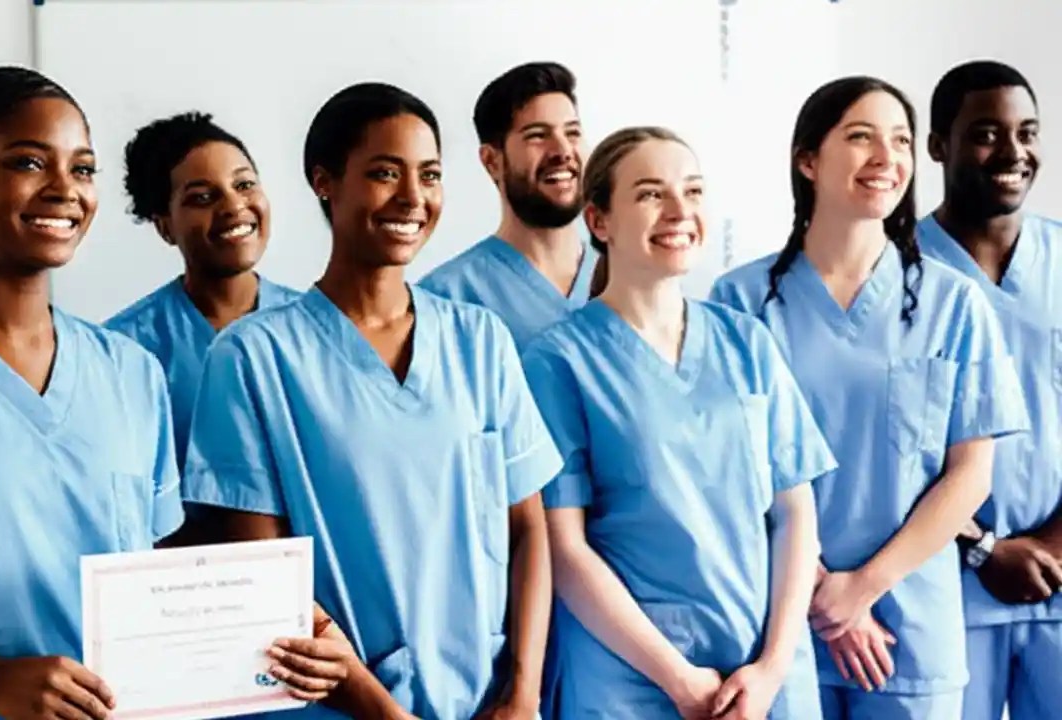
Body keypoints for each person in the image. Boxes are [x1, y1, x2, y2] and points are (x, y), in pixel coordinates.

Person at [0, 66, 346, 720]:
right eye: (29, 162)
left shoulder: (132, 373)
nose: (64, 190)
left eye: (82, 170)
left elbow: (162, 578)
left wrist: (293, 631)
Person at [180, 81, 562, 719]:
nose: (413, 199)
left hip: (482, 704)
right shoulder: (253, 358)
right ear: (324, 181)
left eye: (430, 175)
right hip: (334, 707)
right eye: (386, 174)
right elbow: (267, 577)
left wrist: (521, 694)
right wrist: (388, 714)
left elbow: (528, 530)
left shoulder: (479, 341)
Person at [709, 75, 1029, 720]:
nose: (888, 158)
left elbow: (970, 475)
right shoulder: (738, 304)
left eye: (902, 141)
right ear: (807, 159)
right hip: (778, 626)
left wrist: (863, 589)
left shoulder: (954, 303)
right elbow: (730, 475)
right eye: (861, 137)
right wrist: (823, 598)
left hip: (914, 631)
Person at [523, 126, 831, 720]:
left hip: (762, 675)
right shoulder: (558, 361)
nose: (679, 211)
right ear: (600, 220)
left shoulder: (747, 342)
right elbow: (565, 548)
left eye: (692, 191)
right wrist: (678, 678)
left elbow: (795, 512)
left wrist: (772, 666)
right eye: (649, 194)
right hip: (632, 680)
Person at [916, 60, 1062, 720]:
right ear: (938, 146)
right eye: (986, 133)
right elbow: (879, 450)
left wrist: (1056, 544)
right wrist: (979, 547)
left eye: (1027, 132)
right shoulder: (895, 274)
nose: (1013, 152)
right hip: (940, 587)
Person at [105, 111, 299, 471]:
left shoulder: (317, 327)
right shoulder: (124, 351)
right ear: (165, 227)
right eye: (203, 197)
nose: (233, 206)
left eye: (244, 185)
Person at [420, 61, 596, 348]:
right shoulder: (446, 300)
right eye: (538, 135)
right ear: (492, 161)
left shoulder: (630, 277)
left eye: (572, 133)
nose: (563, 151)